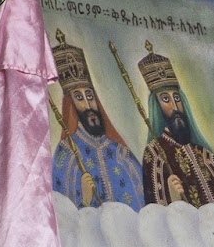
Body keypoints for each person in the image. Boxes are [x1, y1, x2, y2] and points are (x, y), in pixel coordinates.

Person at [51, 31, 144, 211]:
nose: (88, 105)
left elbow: (142, 203)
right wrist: (84, 200)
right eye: (79, 97)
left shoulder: (120, 152)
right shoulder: (66, 154)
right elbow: (61, 215)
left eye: (90, 96)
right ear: (70, 105)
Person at [137, 42, 214, 208]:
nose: (175, 107)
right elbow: (155, 212)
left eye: (177, 98)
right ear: (156, 107)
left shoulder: (204, 154)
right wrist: (172, 198)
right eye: (165, 99)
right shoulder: (154, 154)